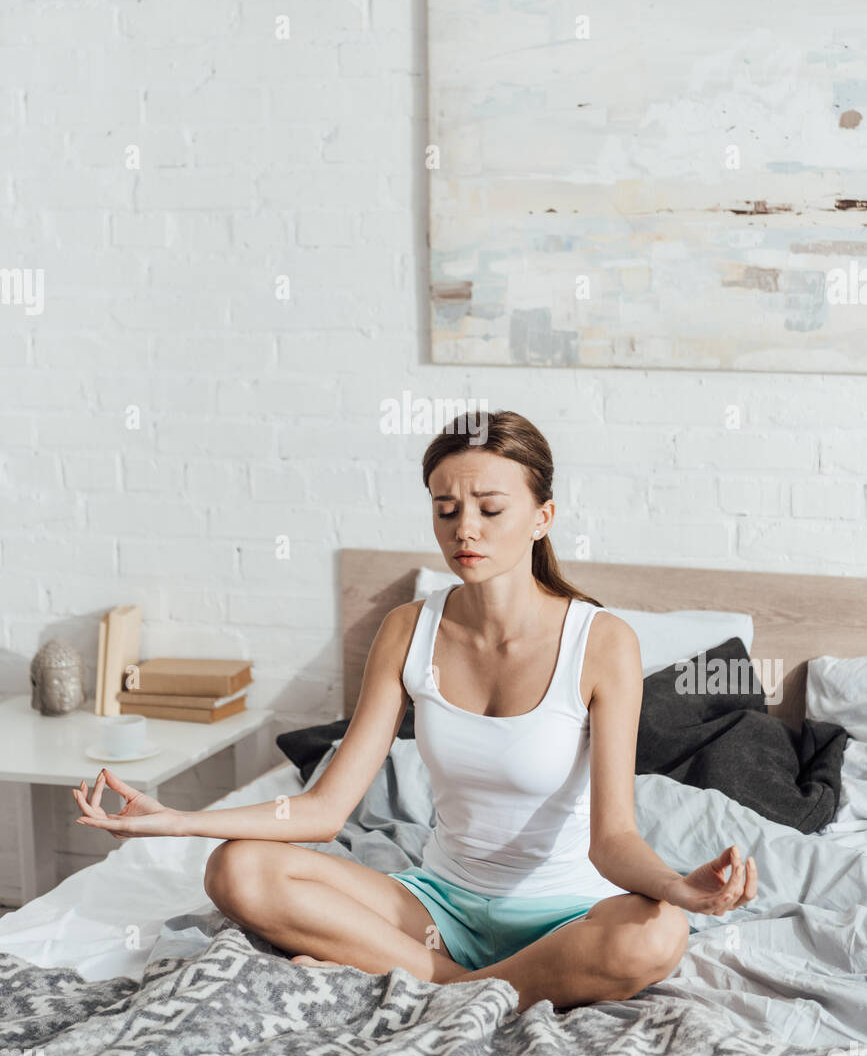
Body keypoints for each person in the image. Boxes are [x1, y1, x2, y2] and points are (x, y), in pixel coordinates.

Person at [73, 410, 757, 1014]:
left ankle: (445, 989)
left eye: (491, 509)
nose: (465, 529)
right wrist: (175, 821)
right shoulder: (409, 629)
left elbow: (611, 840)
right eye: (445, 508)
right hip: (437, 907)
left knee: (658, 933)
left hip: (567, 918)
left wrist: (677, 888)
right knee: (237, 869)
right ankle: (470, 987)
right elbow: (322, 810)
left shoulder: (601, 642)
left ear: (541, 517)